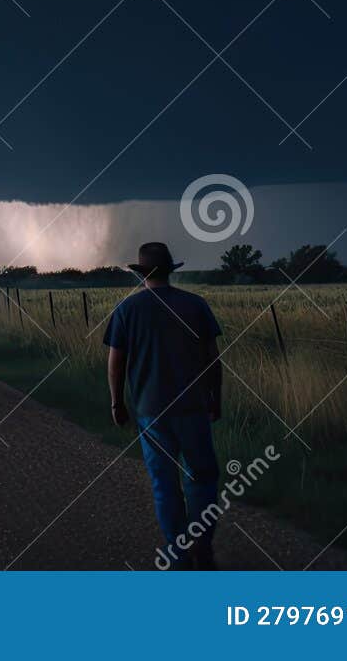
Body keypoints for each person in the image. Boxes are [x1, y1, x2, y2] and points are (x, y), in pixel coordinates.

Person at [103, 241, 224, 569]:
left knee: (165, 483)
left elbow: (115, 363)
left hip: (150, 411)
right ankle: (203, 546)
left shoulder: (127, 310)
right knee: (202, 478)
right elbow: (214, 361)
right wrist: (216, 399)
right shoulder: (195, 305)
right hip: (193, 408)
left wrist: (117, 403)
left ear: (142, 273)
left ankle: (179, 552)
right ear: (170, 271)